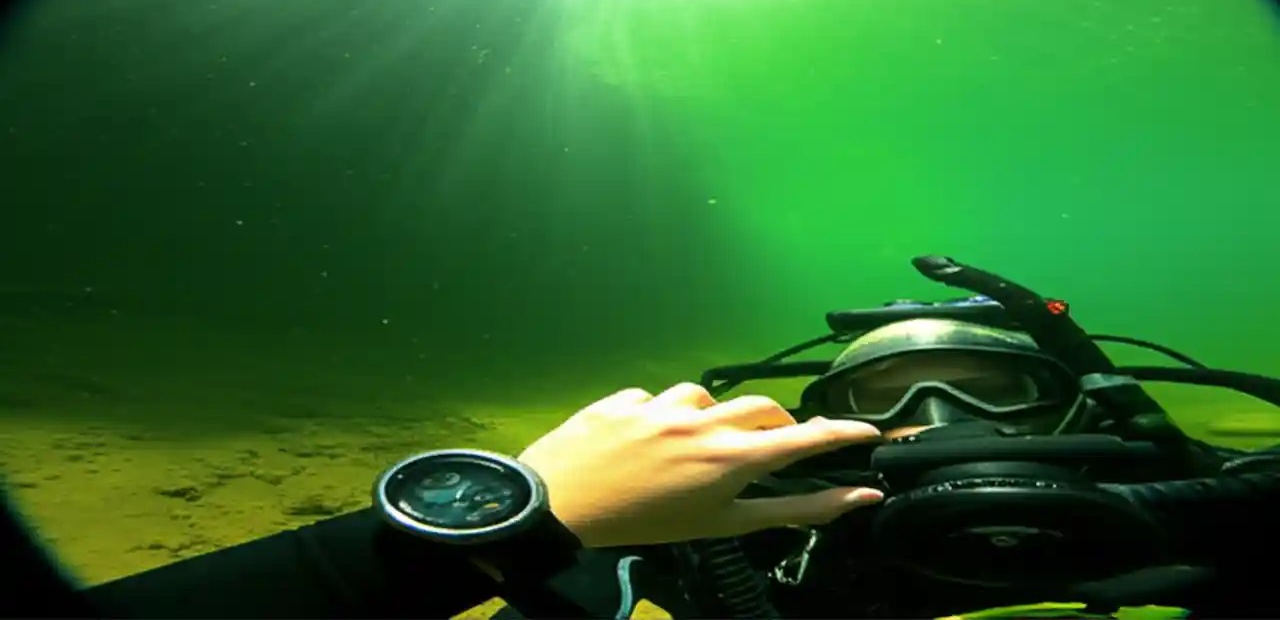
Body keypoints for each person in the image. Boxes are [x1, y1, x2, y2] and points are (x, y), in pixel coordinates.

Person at [2, 383, 887, 619]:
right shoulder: (695, 554)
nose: (942, 425)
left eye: (1002, 402)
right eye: (884, 407)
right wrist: (539, 522)